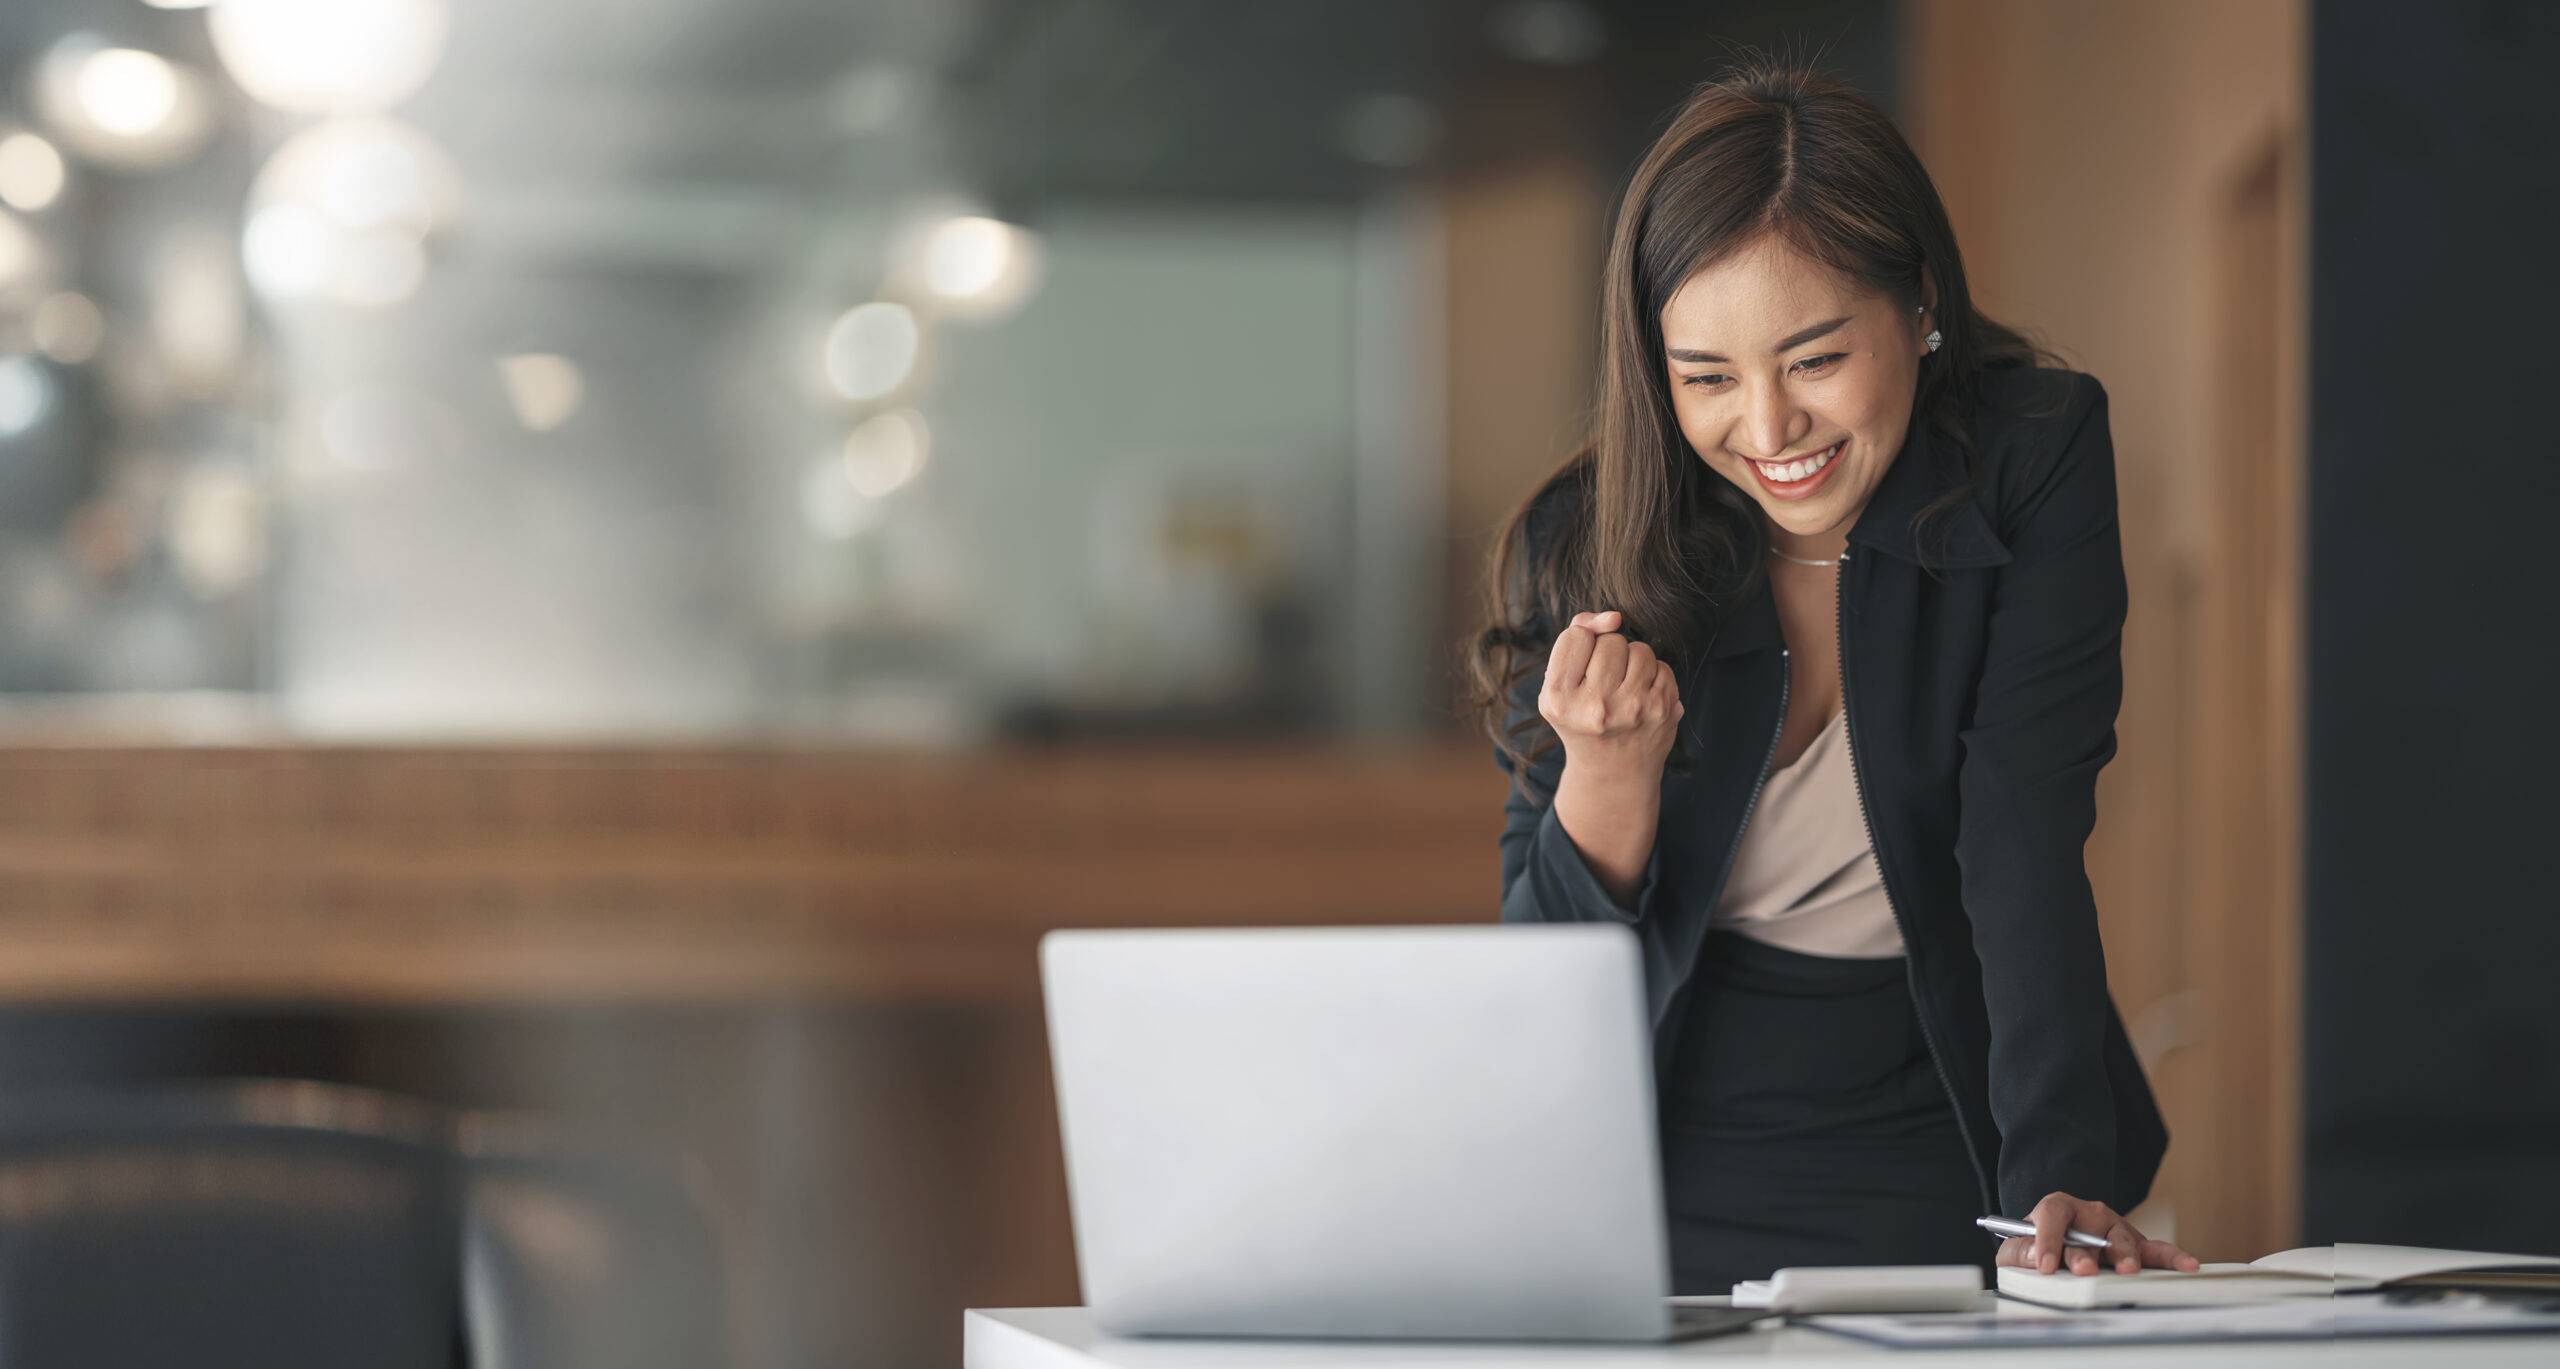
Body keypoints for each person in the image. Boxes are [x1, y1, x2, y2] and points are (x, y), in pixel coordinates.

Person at [1465, 59, 2201, 1292]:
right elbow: (1542, 985)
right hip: (1663, 1143)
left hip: (1954, 1125)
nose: (1766, 429)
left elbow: (2021, 822)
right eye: (1704, 377)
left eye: (1812, 360)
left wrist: (2056, 1175)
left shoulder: (2035, 455)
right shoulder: (1588, 540)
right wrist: (1606, 773)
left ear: (1918, 304)